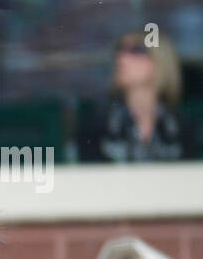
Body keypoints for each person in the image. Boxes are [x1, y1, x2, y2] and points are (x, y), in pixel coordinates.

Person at [77, 31, 195, 162]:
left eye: (137, 51)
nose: (121, 58)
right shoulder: (97, 124)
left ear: (160, 60)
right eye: (120, 50)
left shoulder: (180, 127)